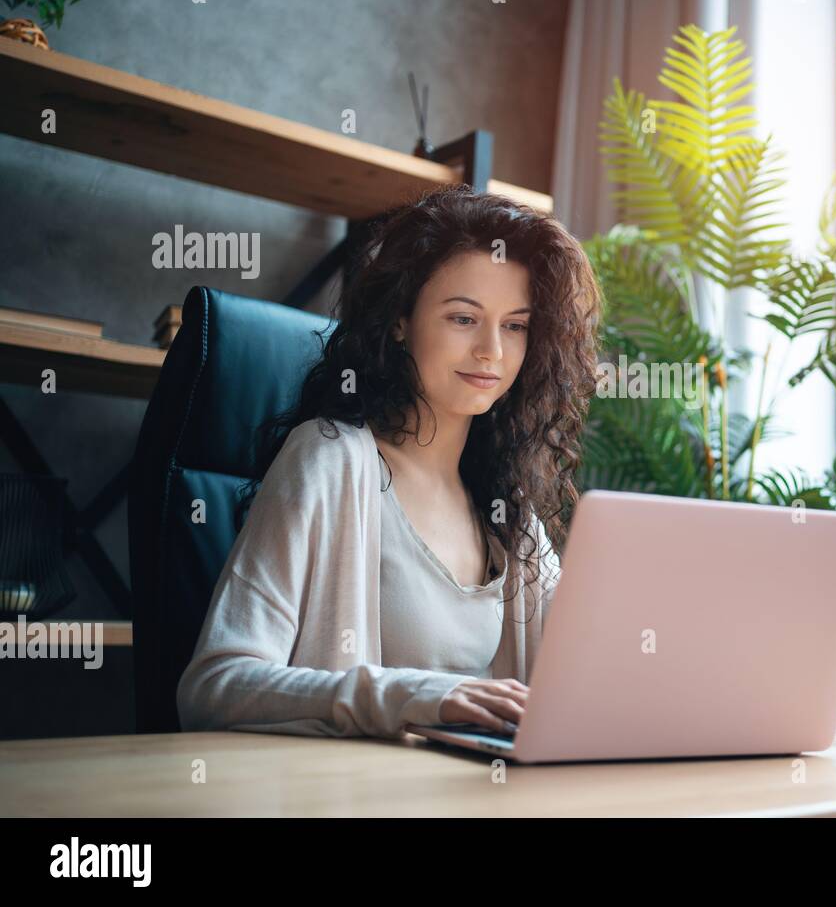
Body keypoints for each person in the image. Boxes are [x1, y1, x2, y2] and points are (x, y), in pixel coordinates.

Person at [175, 185, 601, 739]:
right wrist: (415, 696)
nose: (492, 350)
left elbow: (586, 680)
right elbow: (214, 686)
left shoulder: (508, 514)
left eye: (515, 325)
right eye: (463, 318)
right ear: (401, 321)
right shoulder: (329, 459)